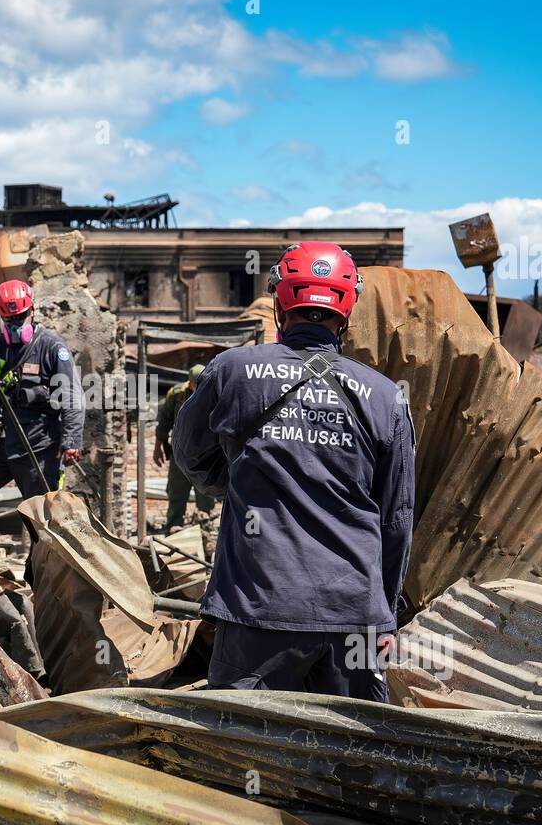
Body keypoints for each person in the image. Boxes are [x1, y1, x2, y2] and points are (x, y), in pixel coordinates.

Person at [172, 242, 414, 700]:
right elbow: (396, 517)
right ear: (347, 309)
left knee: (244, 747)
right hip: (355, 617)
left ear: (280, 302)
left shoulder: (232, 371)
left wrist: (239, 486)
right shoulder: (385, 397)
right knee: (352, 756)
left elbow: (188, 455)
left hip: (257, 611)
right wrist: (385, 615)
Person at [0, 279, 83, 568]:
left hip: (38, 449)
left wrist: (71, 441)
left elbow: (72, 397)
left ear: (32, 312)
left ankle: (43, 578)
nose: (14, 324)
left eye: (19, 318)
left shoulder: (51, 347)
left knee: (42, 519)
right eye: (8, 320)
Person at [153, 364, 214, 531]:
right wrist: (158, 446)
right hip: (181, 453)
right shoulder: (177, 394)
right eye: (196, 385)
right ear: (190, 383)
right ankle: (174, 529)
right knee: (176, 493)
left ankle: (206, 531)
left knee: (206, 494)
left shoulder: (215, 392)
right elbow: (164, 421)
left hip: (207, 455)